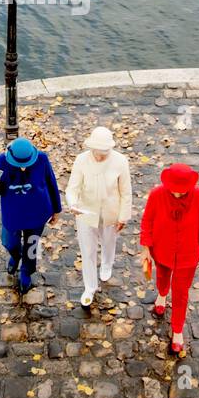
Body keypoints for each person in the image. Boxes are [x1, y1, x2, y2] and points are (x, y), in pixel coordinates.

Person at [139, 163, 199, 355]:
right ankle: (162, 295)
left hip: (189, 254)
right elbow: (147, 220)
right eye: (174, 191)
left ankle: (177, 330)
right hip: (162, 248)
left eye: (181, 192)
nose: (177, 195)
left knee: (181, 292)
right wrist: (146, 247)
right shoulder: (157, 195)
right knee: (163, 277)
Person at [65, 126, 133, 308]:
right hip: (86, 214)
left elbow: (126, 192)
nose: (101, 156)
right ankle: (89, 287)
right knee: (87, 251)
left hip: (111, 213)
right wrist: (72, 204)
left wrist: (123, 216)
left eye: (104, 152)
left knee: (109, 243)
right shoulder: (81, 160)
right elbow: (72, 188)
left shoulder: (120, 161)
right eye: (98, 152)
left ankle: (107, 264)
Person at [0, 136, 61, 295]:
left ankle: (26, 271)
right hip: (13, 213)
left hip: (37, 212)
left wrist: (57, 209)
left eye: (26, 164)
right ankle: (15, 256)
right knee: (10, 242)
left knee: (31, 245)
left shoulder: (42, 159)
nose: (23, 168)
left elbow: (51, 183)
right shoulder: (2, 160)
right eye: (20, 165)